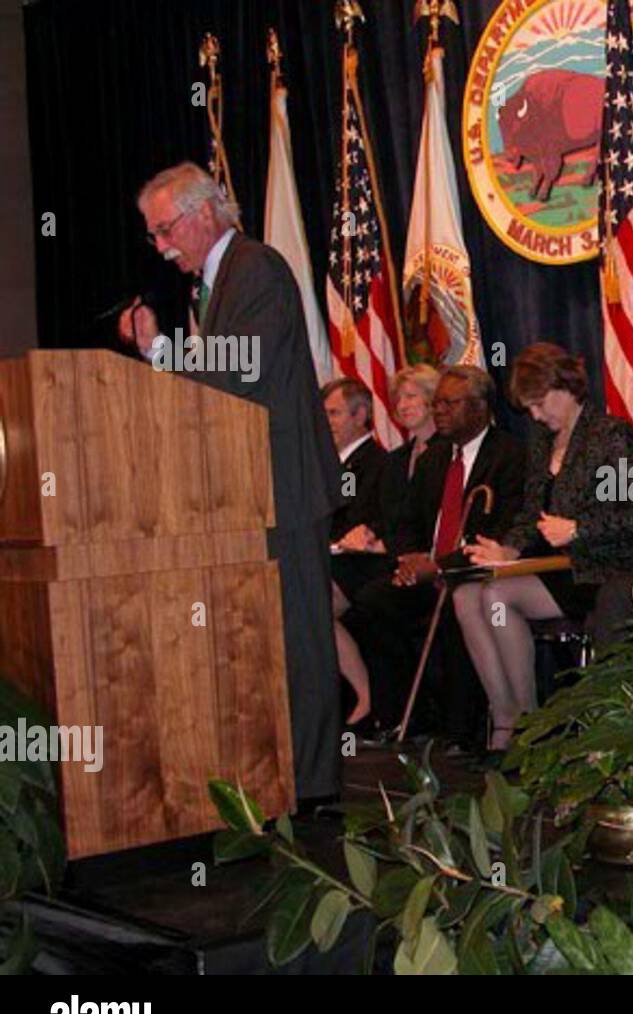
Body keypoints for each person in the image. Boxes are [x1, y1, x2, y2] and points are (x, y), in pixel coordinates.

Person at [118, 161, 343, 806]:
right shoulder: (219, 282)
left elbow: (243, 368)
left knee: (298, 636)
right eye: (154, 236)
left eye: (165, 231)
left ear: (203, 212)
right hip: (251, 486)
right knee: (269, 636)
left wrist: (163, 354)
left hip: (286, 485)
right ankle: (275, 771)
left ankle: (313, 785)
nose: (161, 248)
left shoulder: (257, 268)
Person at [453, 343, 633, 753]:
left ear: (565, 387)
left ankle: (529, 725)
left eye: (539, 403)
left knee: (496, 596)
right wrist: (508, 551)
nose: (535, 415)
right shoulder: (541, 443)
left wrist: (580, 528)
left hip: (605, 567)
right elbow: (532, 513)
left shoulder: (609, 436)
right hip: (557, 566)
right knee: (464, 597)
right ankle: (505, 715)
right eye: (528, 407)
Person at [345, 365, 524, 748]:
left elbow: (500, 532)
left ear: (478, 407)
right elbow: (406, 521)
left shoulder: (508, 455)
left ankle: (463, 733)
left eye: (448, 403)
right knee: (373, 601)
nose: (438, 411)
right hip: (429, 571)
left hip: (472, 572)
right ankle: (402, 717)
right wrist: (410, 558)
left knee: (456, 609)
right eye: (437, 403)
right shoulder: (435, 457)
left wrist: (439, 566)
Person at [330, 365, 441, 726]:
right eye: (398, 398)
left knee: (369, 598)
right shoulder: (397, 460)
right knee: (317, 594)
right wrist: (378, 539)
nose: (403, 405)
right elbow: (393, 518)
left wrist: (382, 543)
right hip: (387, 558)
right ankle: (369, 701)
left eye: (412, 396)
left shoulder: (448, 455)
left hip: (429, 563)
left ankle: (383, 705)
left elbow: (429, 521)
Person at [323, 378, 386, 545]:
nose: (325, 422)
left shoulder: (376, 463)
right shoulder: (335, 464)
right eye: (323, 415)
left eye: (334, 413)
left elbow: (345, 516)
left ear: (360, 415)